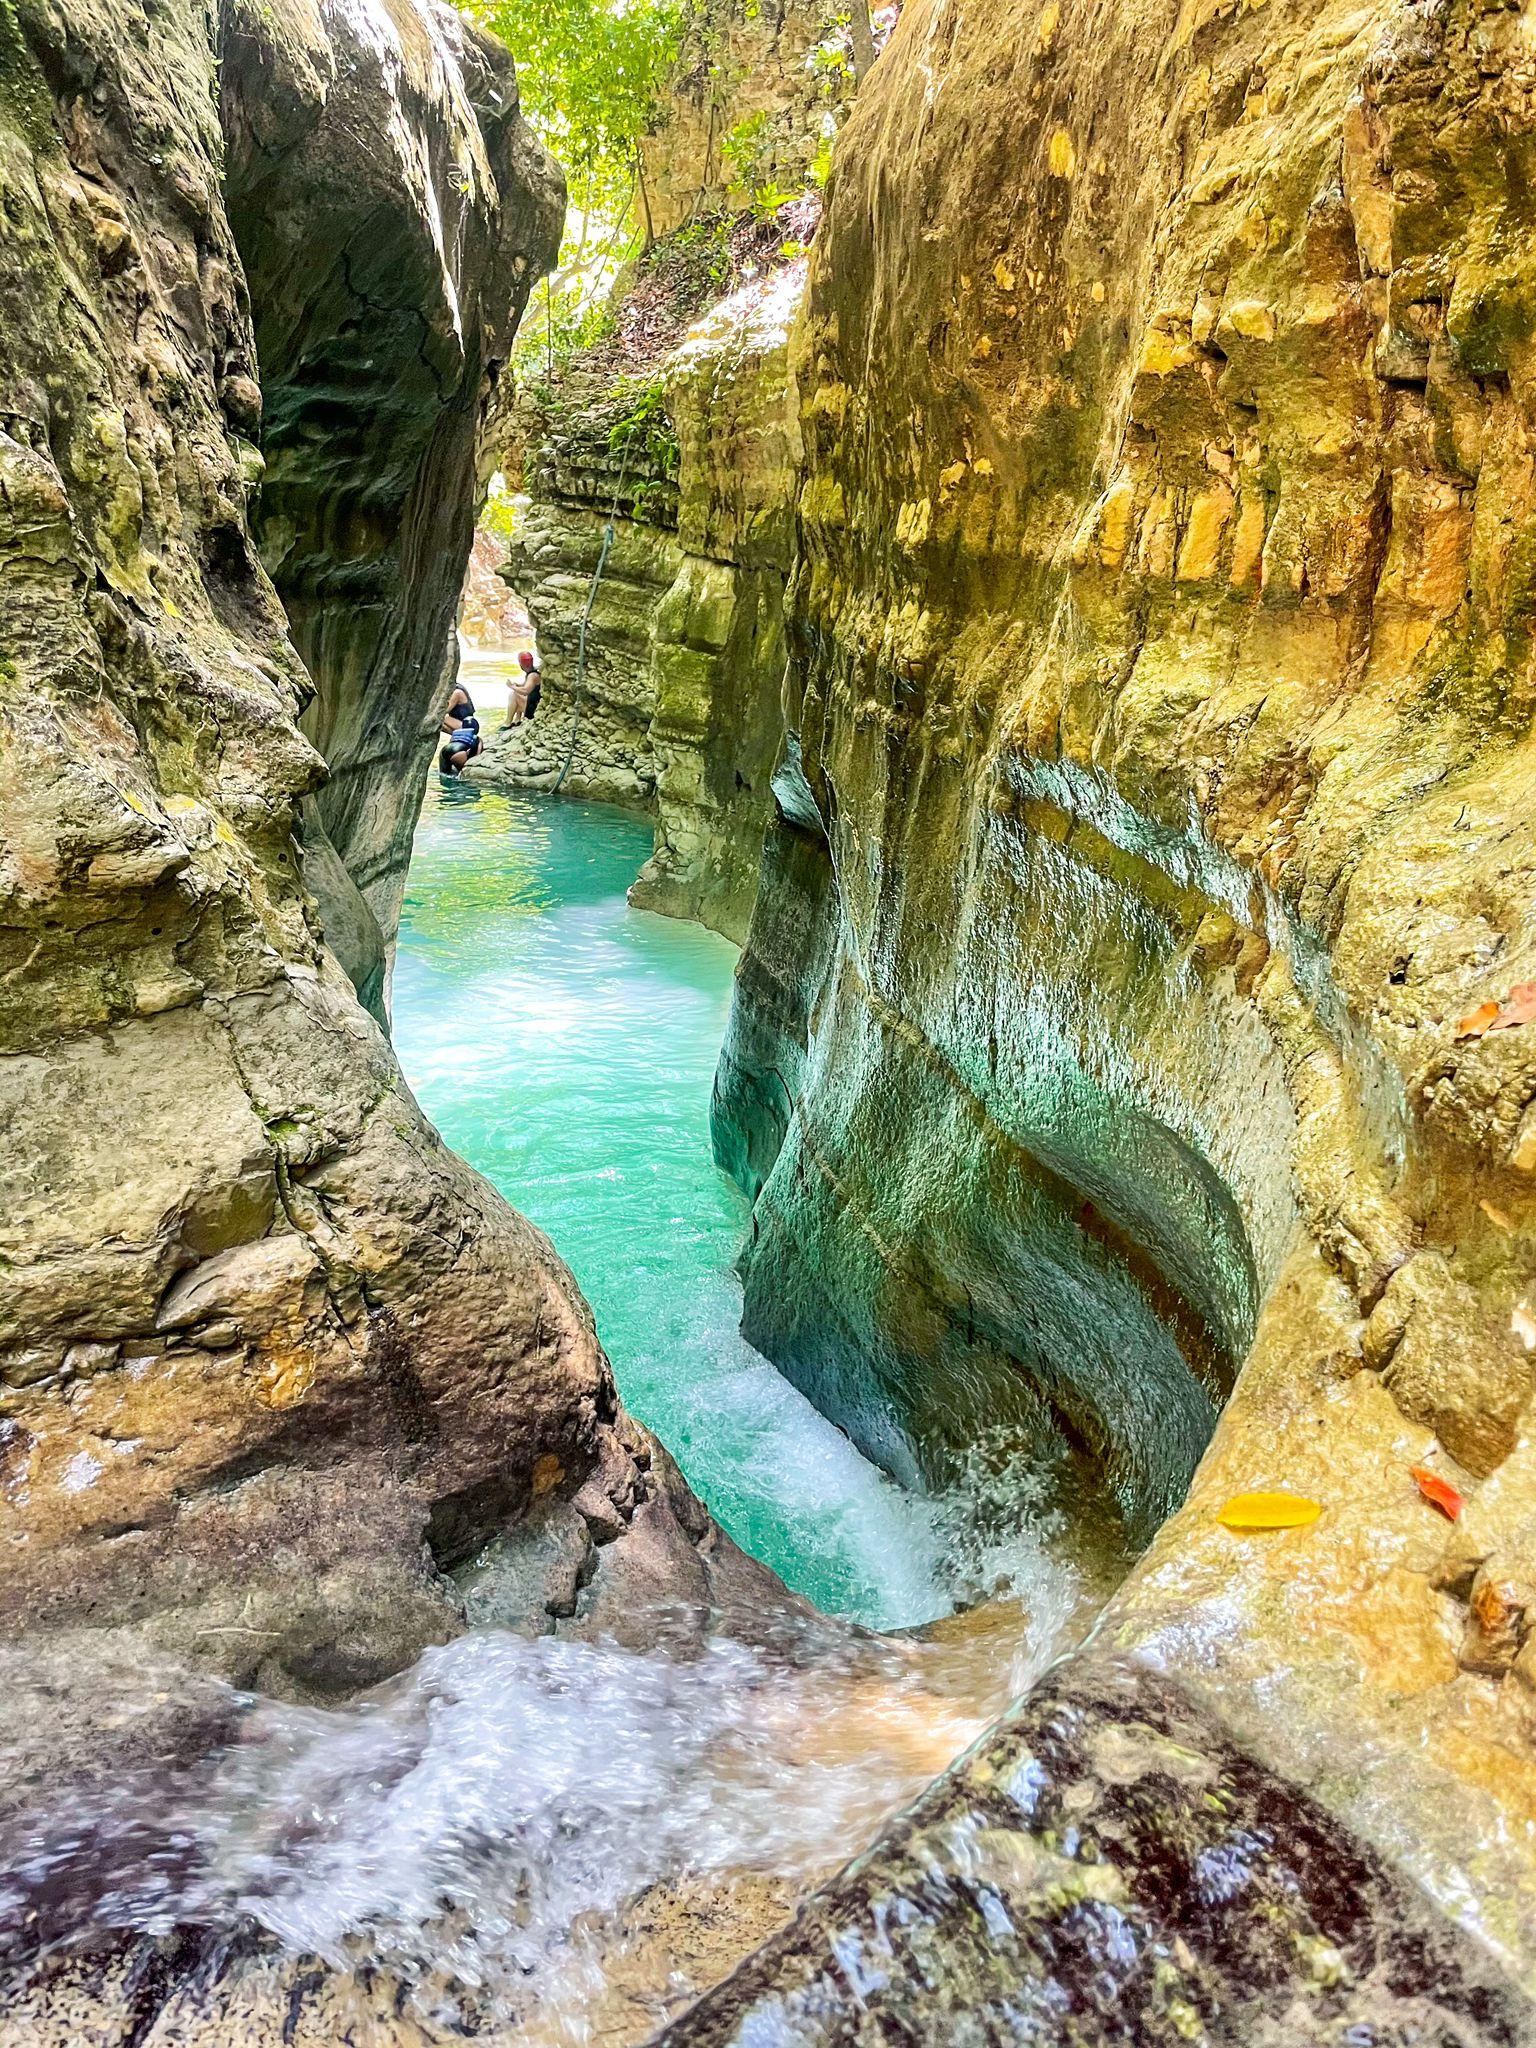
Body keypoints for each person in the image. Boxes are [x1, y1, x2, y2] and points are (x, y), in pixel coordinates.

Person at [509, 648, 542, 726]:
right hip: (534, 704)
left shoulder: (532, 676)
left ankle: (508, 722)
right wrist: (517, 685)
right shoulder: (533, 672)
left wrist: (512, 686)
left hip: (533, 709)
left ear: (521, 664)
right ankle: (517, 719)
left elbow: (526, 690)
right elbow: (526, 685)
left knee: (514, 695)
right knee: (517, 692)